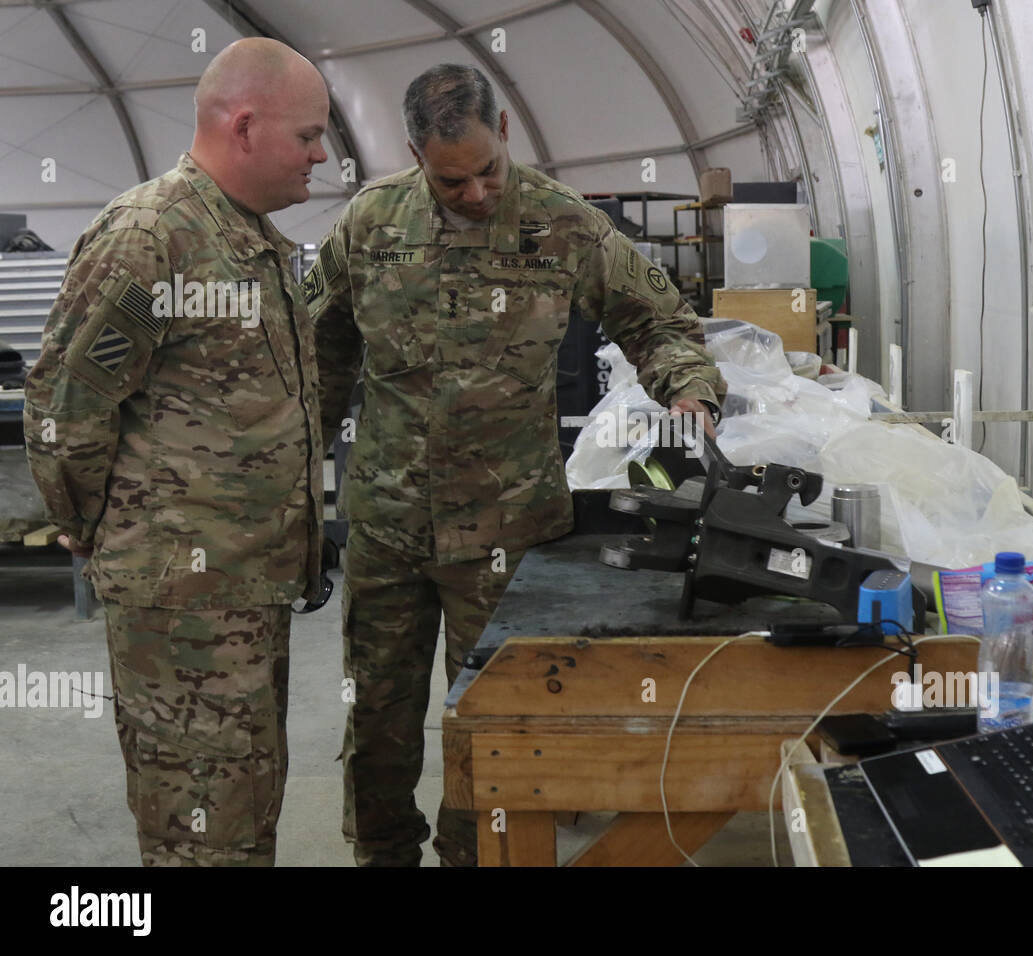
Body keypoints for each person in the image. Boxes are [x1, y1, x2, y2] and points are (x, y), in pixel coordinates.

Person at [308, 64, 727, 866]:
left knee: (497, 725)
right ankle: (383, 854)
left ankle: (476, 859)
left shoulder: (566, 226)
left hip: (507, 531)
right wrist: (298, 477)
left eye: (485, 172)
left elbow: (664, 325)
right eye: (448, 179)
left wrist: (690, 399)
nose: (472, 193)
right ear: (413, 154)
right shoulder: (369, 223)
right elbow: (318, 352)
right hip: (388, 530)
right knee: (379, 718)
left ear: (506, 132)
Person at [23, 37, 331, 866]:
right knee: (200, 830)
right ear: (243, 126)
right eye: (308, 135)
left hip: (247, 589)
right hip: (181, 604)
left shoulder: (248, 237)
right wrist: (92, 528)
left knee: (248, 805)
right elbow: (64, 408)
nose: (323, 153)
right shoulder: (151, 236)